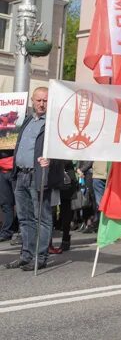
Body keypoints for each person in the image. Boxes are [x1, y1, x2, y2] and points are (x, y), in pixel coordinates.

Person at [6, 87, 65, 271]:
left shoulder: (54, 123)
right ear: (32, 100)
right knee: (24, 218)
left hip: (39, 176)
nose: (41, 104)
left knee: (42, 219)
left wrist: (51, 160)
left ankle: (40, 257)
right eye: (38, 100)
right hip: (21, 175)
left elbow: (63, 150)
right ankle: (27, 254)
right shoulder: (28, 120)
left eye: (45, 100)